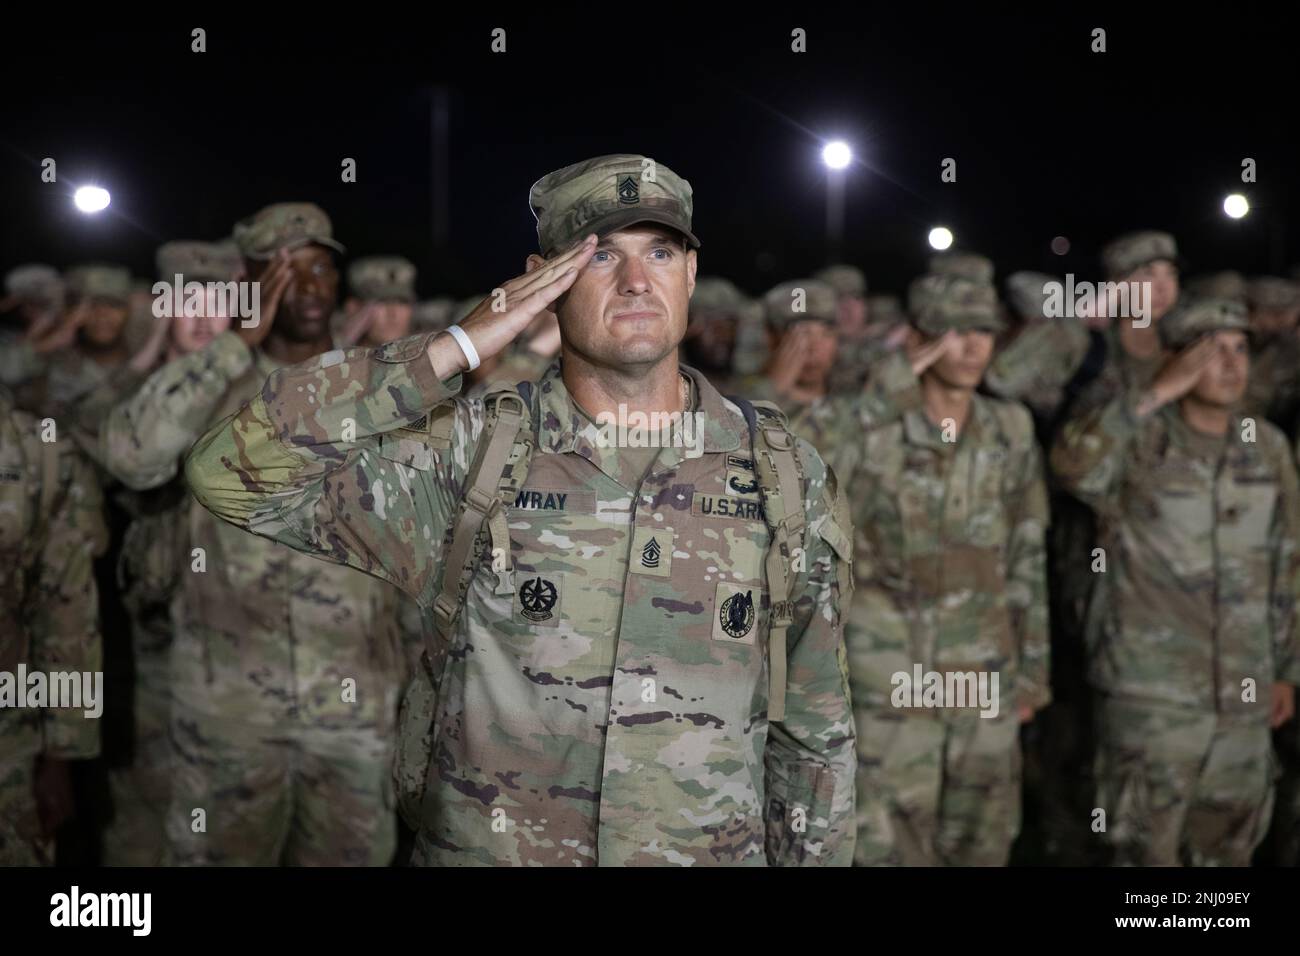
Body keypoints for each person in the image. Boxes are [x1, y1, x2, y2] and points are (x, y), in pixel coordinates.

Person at [184, 154, 856, 867]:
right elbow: (230, 471)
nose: (637, 281)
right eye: (600, 257)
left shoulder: (780, 470)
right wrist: (456, 347)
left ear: (690, 272)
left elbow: (813, 730)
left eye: (660, 251)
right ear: (543, 282)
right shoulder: (467, 457)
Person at [1052, 297, 1299, 865]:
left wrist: (1285, 669)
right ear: (1174, 360)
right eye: (1210, 352)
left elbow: (1288, 562)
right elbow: (1071, 467)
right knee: (1144, 856)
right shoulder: (1137, 438)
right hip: (1151, 695)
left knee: (1229, 854)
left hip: (1243, 689)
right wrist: (1154, 392)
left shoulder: (1266, 447)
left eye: (1240, 349)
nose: (1231, 364)